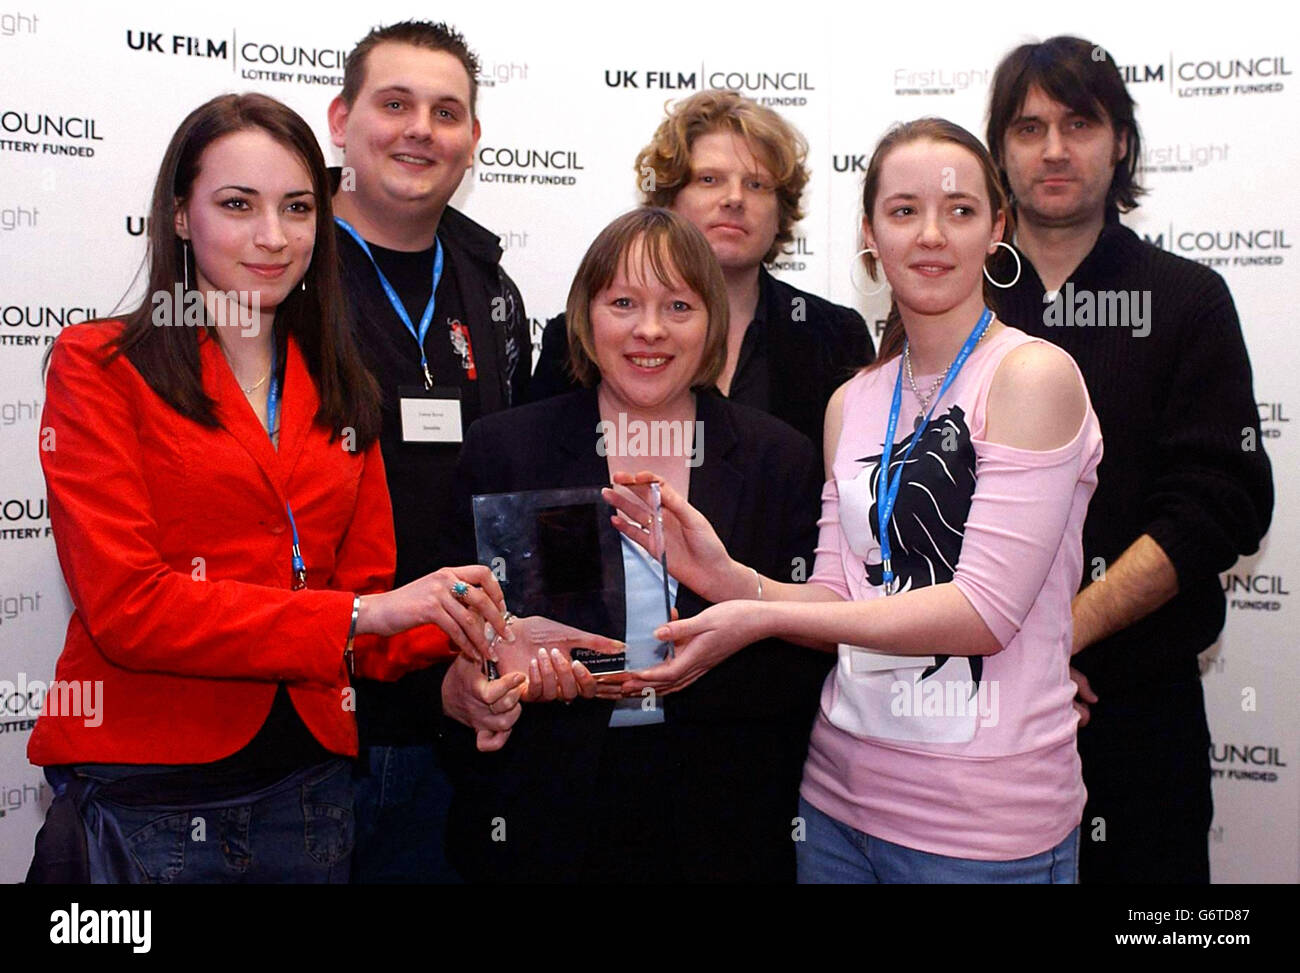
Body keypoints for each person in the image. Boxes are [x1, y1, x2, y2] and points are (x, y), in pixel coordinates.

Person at [24, 93, 515, 884]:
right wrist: (362, 614)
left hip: (313, 797)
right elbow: (127, 607)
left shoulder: (342, 385)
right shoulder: (102, 367)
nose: (274, 237)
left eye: (297, 207)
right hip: (149, 797)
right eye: (237, 205)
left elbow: (369, 608)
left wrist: (484, 640)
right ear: (179, 216)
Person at [605, 119, 1103, 884]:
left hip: (981, 825)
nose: (931, 234)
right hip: (837, 806)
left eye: (960, 210)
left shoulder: (1032, 376)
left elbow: (983, 613)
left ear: (998, 228)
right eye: (904, 211)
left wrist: (762, 614)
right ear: (870, 233)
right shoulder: (855, 400)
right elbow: (840, 593)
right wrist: (734, 578)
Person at [438, 208, 828, 882]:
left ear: (713, 322)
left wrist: (726, 641)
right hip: (543, 814)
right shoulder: (508, 449)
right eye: (623, 303)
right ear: (585, 318)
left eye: (679, 305)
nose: (650, 329)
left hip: (725, 817)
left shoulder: (779, 458)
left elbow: (811, 650)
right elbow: (446, 632)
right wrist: (471, 686)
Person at [983, 36, 1273, 883]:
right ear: (999, 150)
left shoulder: (1187, 299)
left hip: (1139, 718)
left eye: (1079, 124)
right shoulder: (953, 299)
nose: (1054, 149)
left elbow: (1219, 502)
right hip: (967, 713)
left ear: (1121, 143)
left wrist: (1056, 638)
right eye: (1029, 128)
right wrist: (1005, 661)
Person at [326, 20, 532, 883]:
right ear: (342, 120)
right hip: (314, 726)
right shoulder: (282, 271)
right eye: (395, 104)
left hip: (455, 718)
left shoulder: (491, 287)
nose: (420, 129)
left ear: (473, 138)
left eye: (446, 112)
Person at [530, 89, 873, 467]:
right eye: (709, 179)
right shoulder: (580, 339)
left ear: (781, 211)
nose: (734, 198)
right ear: (668, 199)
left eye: (756, 184)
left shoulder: (836, 338)